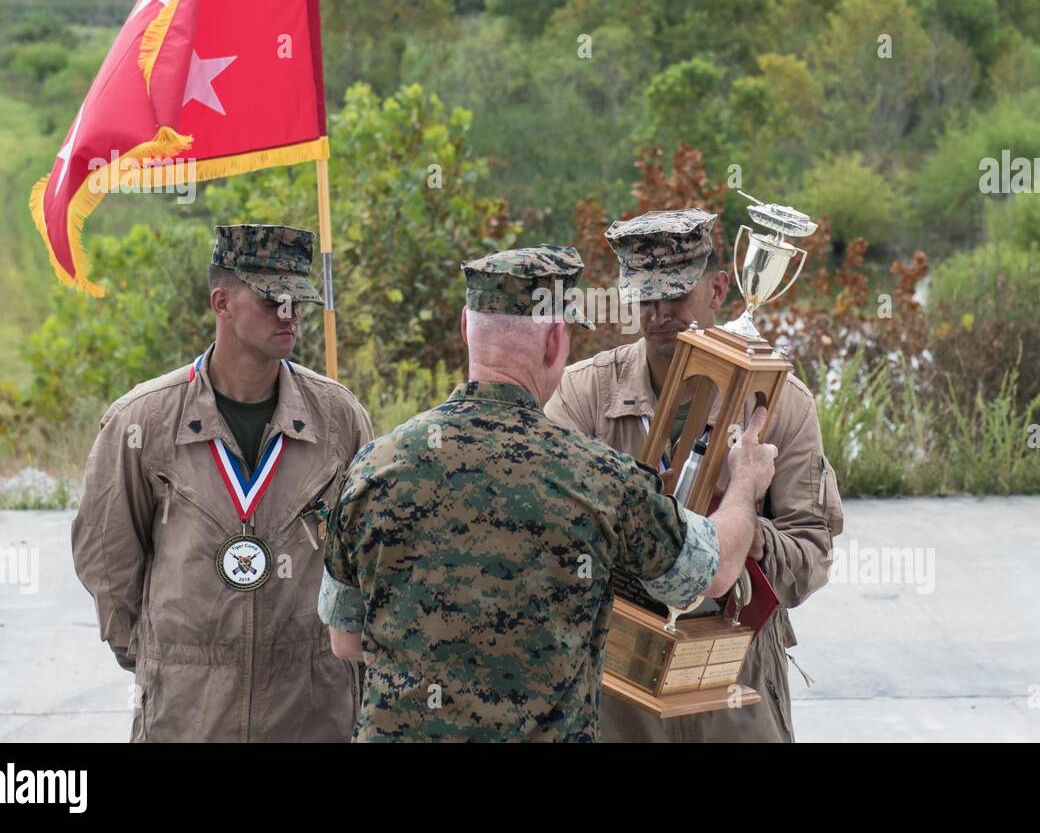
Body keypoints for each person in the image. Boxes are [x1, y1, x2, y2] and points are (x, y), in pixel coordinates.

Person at [317, 245, 778, 741]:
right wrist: (746, 479)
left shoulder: (375, 467)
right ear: (556, 340)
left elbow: (345, 639)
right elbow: (716, 571)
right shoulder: (602, 479)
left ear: (464, 329)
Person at [546, 209, 845, 742]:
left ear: (717, 289)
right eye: (644, 297)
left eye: (675, 295)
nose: (659, 314)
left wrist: (742, 532)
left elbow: (811, 557)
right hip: (618, 682)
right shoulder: (585, 395)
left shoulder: (779, 404)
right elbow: (550, 539)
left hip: (736, 680)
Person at [72, 224, 373, 742]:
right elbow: (106, 557)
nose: (290, 315)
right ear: (221, 302)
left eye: (298, 301)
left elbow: (365, 556)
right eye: (272, 300)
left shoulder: (337, 417)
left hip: (310, 710)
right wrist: (162, 657)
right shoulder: (144, 420)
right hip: (187, 716)